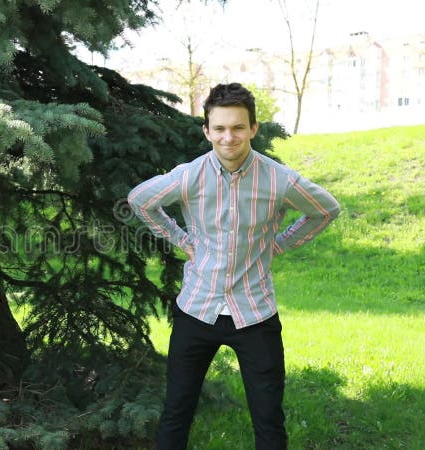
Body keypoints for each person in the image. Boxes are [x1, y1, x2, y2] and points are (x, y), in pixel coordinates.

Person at [128, 82, 340, 450]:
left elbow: (325, 210)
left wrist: (280, 244)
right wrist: (181, 241)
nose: (229, 137)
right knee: (176, 412)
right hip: (196, 309)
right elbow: (141, 200)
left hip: (255, 315)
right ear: (207, 130)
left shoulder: (279, 179)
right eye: (221, 128)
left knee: (269, 419)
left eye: (239, 127)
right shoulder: (189, 175)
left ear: (253, 129)